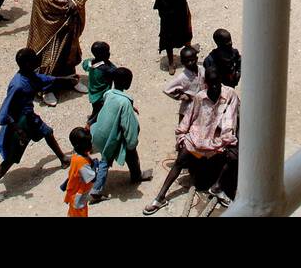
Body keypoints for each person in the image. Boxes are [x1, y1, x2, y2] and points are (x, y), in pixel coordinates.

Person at [0, 47, 77, 202]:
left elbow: (42, 79)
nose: (38, 61)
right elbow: (4, 113)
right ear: (26, 64)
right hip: (20, 124)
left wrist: (63, 80)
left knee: (47, 132)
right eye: (34, 60)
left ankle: (63, 159)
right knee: (10, 158)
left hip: (30, 119)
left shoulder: (28, 74)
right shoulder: (18, 85)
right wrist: (18, 130)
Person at [144, 67, 239, 212]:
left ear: (221, 82)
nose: (214, 87)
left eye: (217, 84)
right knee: (180, 161)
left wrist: (224, 140)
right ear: (206, 83)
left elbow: (230, 122)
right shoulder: (200, 97)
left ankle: (217, 187)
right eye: (211, 84)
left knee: (234, 156)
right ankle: (160, 197)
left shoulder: (230, 95)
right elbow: (188, 119)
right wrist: (181, 136)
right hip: (198, 137)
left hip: (219, 137)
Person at [26, 0, 91, 93]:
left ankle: (72, 80)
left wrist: (75, 2)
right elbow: (48, 5)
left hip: (71, 23)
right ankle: (47, 89)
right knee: (51, 57)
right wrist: (67, 7)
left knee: (70, 53)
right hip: (53, 28)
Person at [90, 66, 151, 197]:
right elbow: (128, 126)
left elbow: (113, 105)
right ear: (126, 83)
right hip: (110, 138)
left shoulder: (109, 94)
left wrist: (131, 106)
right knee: (111, 159)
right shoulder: (124, 102)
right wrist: (131, 143)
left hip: (99, 133)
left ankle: (136, 175)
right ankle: (96, 189)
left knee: (117, 157)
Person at [62, 126, 106, 217]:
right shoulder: (82, 163)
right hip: (78, 198)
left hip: (74, 195)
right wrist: (97, 166)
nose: (90, 144)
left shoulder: (76, 155)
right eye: (87, 143)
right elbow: (92, 178)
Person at [164, 46, 205, 126]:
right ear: (182, 62)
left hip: (203, 104)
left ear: (196, 59)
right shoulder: (182, 77)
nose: (190, 63)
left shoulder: (202, 69)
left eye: (192, 60)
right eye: (187, 61)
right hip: (189, 107)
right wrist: (183, 96)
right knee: (185, 126)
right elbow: (167, 89)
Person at [80, 40, 116, 122]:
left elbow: (84, 64)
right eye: (107, 52)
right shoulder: (106, 69)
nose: (109, 53)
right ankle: (90, 124)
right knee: (98, 112)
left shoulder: (89, 63)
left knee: (96, 108)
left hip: (93, 93)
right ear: (104, 55)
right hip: (101, 96)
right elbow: (116, 72)